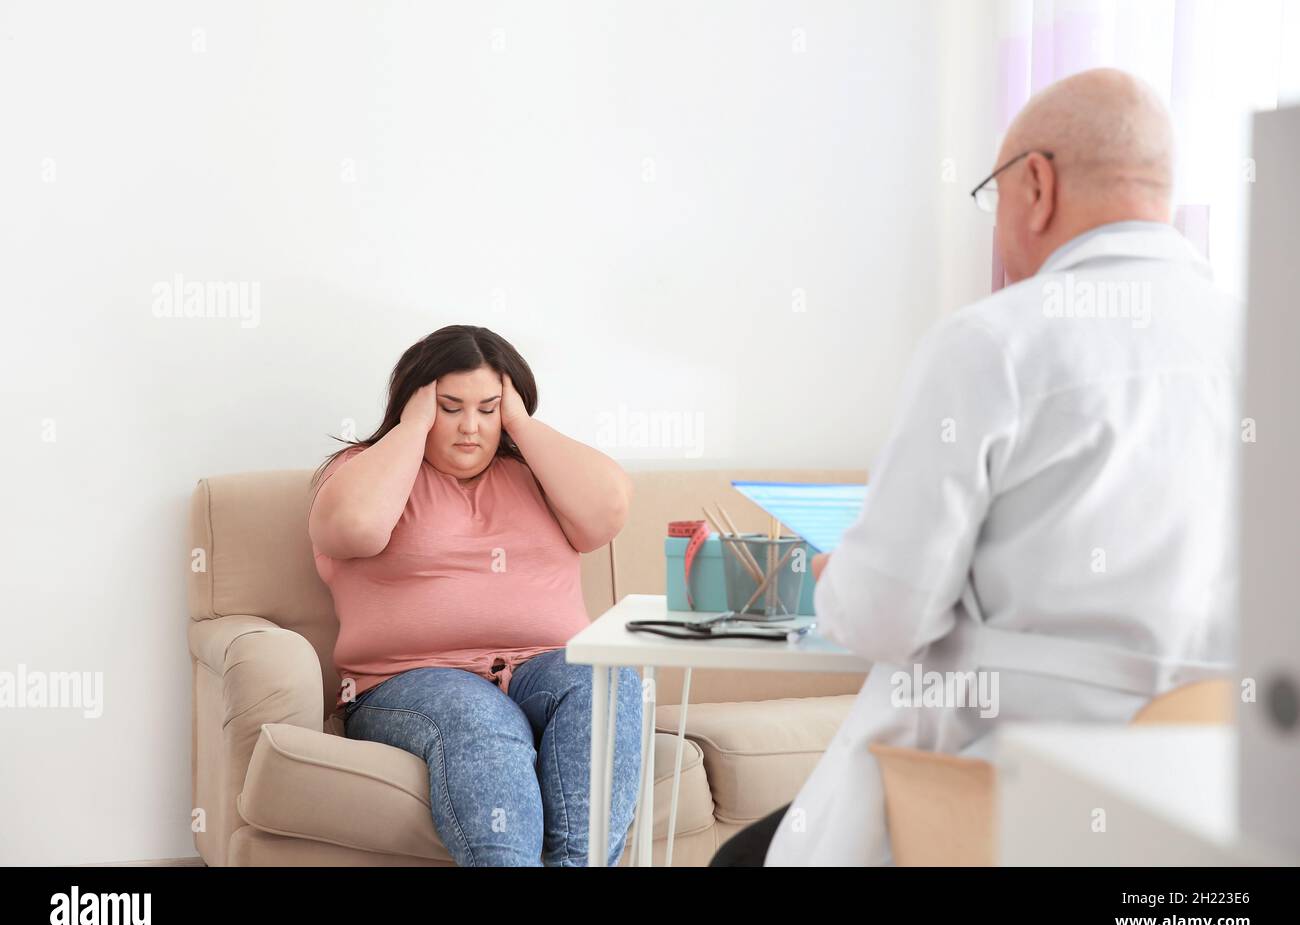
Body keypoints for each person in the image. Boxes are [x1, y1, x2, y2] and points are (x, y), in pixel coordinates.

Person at [717, 68, 1242, 866]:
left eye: (993, 199)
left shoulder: (995, 343)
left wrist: (837, 576)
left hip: (1016, 797)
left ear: (1035, 184)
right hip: (1219, 803)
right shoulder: (1269, 336)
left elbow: (884, 617)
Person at [308, 325, 641, 867]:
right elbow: (356, 526)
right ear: (414, 404)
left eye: (488, 409)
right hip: (410, 681)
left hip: (544, 669)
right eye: (449, 407)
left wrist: (521, 424)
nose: (470, 427)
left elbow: (609, 512)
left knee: (606, 681)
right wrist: (412, 426)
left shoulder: (536, 475)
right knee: (480, 715)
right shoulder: (364, 473)